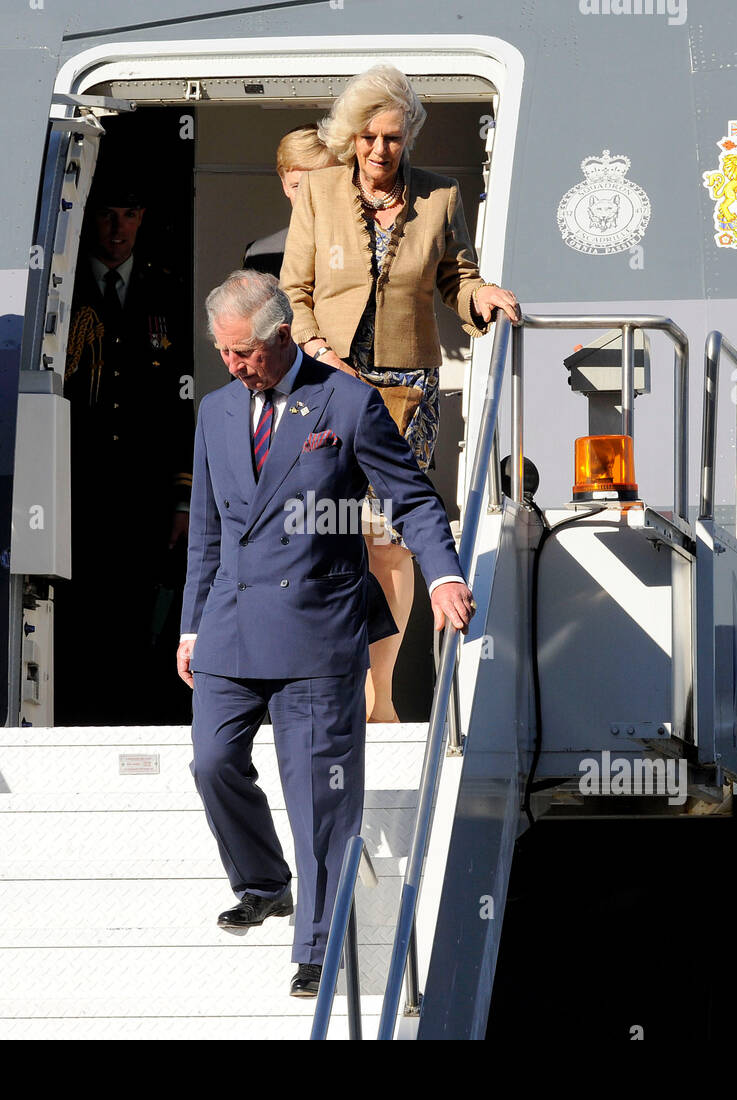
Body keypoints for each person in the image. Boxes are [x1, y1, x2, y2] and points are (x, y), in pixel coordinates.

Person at [177, 270, 475, 996]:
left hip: (316, 627)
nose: (235, 366)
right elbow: (207, 537)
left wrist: (441, 576)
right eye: (224, 353)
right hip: (229, 625)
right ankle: (264, 881)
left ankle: (318, 943)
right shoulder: (217, 411)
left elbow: (412, 498)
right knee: (212, 762)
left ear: (281, 335)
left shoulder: (343, 400)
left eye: (245, 352)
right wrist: (190, 626)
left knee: (319, 796)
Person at [280, 65, 520, 723]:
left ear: (407, 136)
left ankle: (378, 696)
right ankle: (335, 684)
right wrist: (324, 356)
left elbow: (456, 276)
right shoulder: (319, 194)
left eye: (393, 137)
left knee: (389, 540)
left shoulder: (440, 198)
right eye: (369, 137)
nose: (381, 150)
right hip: (328, 386)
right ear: (350, 137)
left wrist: (481, 295)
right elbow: (293, 294)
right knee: (327, 537)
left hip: (407, 392)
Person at [55, 175, 194, 725]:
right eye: (108, 215)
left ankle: (134, 716)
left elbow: (179, 400)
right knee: (81, 608)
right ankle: (81, 717)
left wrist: (183, 499)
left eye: (129, 215)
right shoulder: (64, 293)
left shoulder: (166, 289)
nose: (118, 229)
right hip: (79, 485)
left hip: (145, 490)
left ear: (142, 219)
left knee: (140, 610)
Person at [242, 124, 339, 278]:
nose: (307, 197)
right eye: (297, 186)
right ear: (284, 186)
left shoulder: (369, 244)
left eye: (319, 185)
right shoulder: (261, 254)